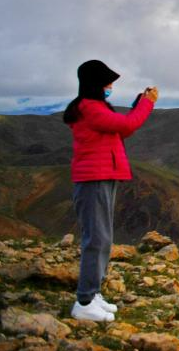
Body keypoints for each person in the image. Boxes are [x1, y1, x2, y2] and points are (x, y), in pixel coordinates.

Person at [62, 60, 158, 322]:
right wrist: (147, 103)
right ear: (95, 83)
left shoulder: (92, 108)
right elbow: (126, 126)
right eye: (107, 83)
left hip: (102, 176)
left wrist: (139, 103)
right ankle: (84, 301)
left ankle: (93, 295)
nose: (111, 87)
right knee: (97, 239)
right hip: (94, 178)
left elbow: (117, 130)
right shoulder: (90, 108)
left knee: (103, 238)